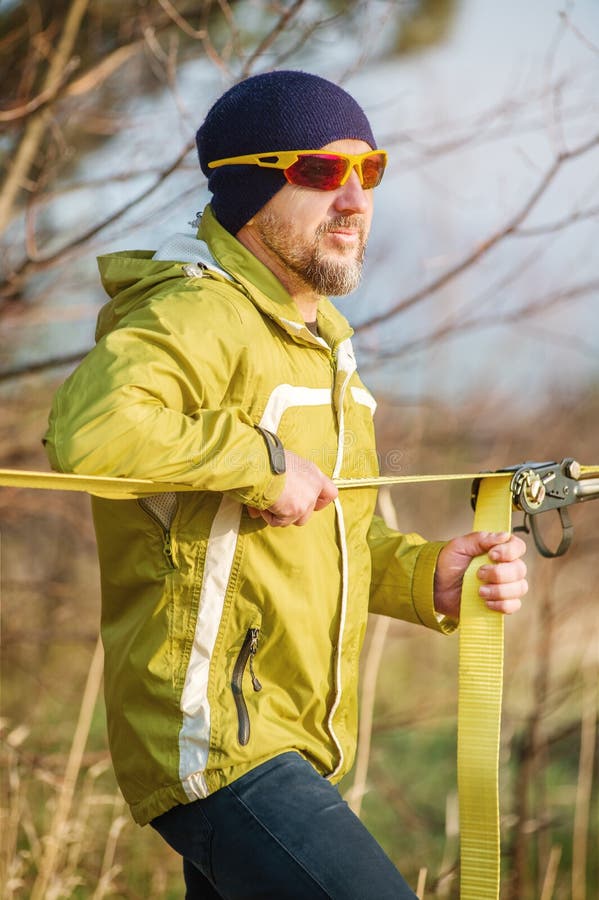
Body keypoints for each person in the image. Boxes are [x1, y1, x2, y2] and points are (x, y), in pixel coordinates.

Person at [44, 70, 528, 899]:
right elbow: (91, 430)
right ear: (247, 186)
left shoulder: (325, 348)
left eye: (367, 171)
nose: (352, 199)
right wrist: (262, 465)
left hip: (287, 738)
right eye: (317, 172)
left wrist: (428, 576)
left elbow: (339, 530)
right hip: (213, 738)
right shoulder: (199, 313)